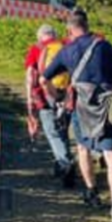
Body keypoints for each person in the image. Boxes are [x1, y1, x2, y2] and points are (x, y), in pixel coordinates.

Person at [41, 10, 112, 222]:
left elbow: (43, 79)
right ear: (87, 25)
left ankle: (91, 191)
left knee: (83, 149)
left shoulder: (66, 51)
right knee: (111, 155)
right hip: (106, 105)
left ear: (69, 29)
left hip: (81, 107)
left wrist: (57, 99)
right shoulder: (103, 46)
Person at [24, 24, 72, 176]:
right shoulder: (64, 45)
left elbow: (31, 75)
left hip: (44, 94)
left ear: (39, 36)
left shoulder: (36, 48)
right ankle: (64, 160)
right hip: (67, 92)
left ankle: (65, 163)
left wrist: (29, 98)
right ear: (54, 35)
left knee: (52, 131)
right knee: (63, 127)